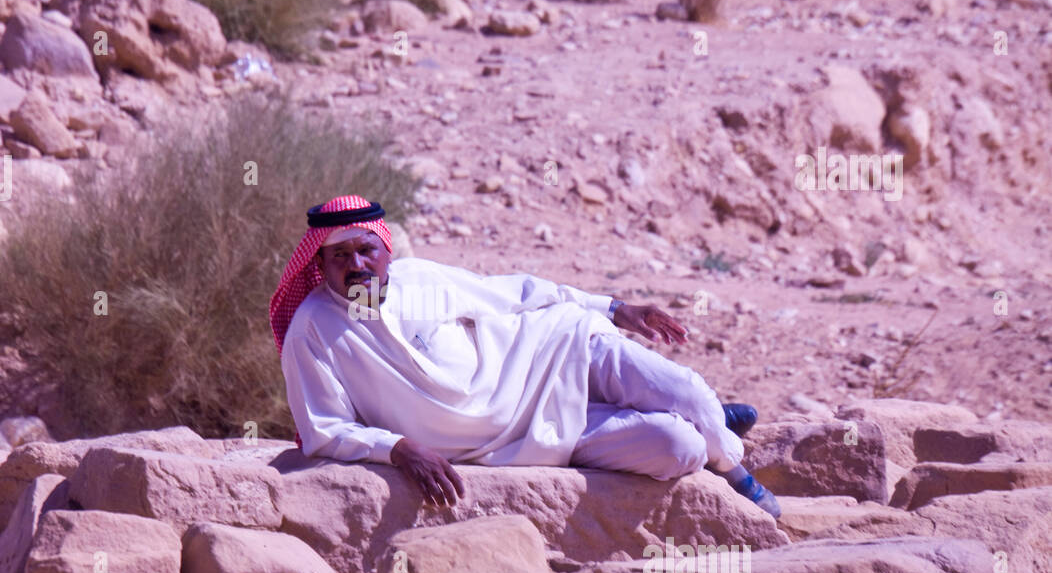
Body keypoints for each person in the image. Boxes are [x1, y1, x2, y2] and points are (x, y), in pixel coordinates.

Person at [269, 195, 781, 517]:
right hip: (526, 442)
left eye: (366, 251)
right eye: (340, 255)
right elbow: (326, 431)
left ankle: (736, 474)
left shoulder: (419, 279)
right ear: (321, 262)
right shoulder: (313, 332)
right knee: (679, 447)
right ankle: (711, 427)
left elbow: (512, 292)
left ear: (386, 252)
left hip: (553, 350)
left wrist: (612, 306)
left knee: (687, 390)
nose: (356, 265)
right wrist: (401, 450)